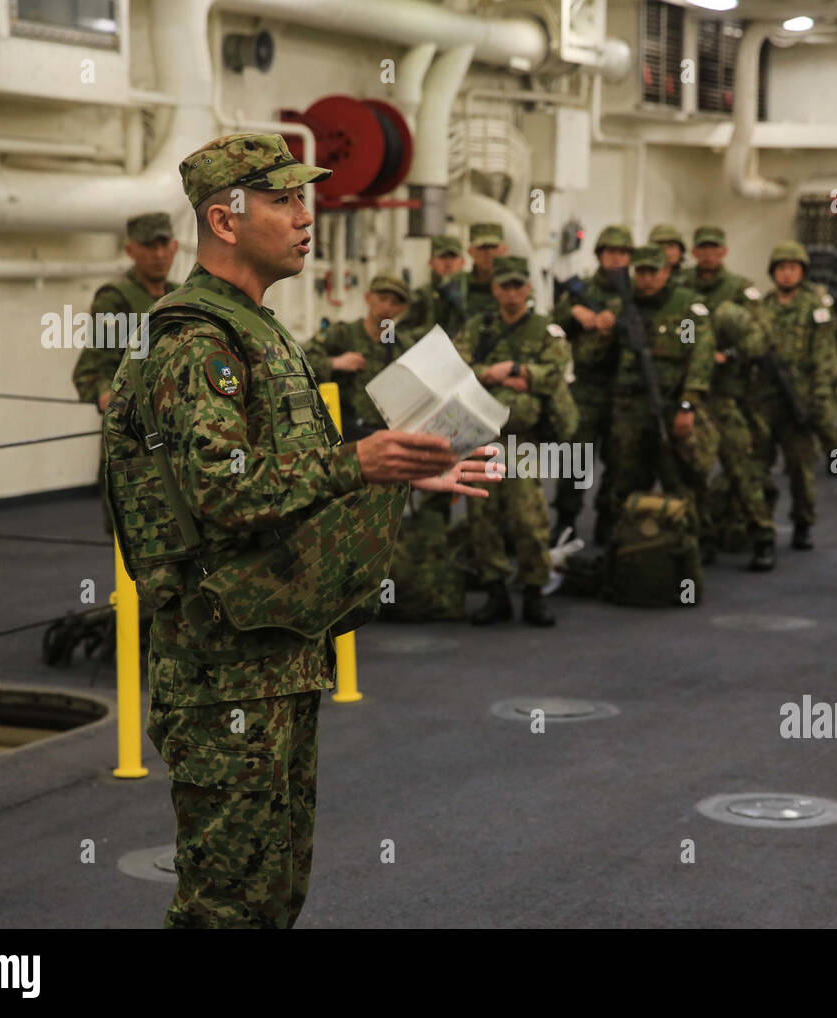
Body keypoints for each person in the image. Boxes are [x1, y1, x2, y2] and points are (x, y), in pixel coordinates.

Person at [105, 133, 499, 929]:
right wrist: (359, 461)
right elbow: (223, 493)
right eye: (283, 200)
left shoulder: (259, 331)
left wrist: (398, 469)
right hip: (222, 668)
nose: (304, 214)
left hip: (274, 648)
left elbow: (293, 481)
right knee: (225, 902)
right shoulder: (195, 342)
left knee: (275, 889)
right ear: (224, 218)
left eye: (302, 197)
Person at [454, 255, 579, 627]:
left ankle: (534, 592)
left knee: (529, 518)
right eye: (504, 285)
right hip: (483, 436)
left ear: (528, 288)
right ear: (494, 289)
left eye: (517, 285)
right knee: (484, 516)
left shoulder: (545, 330)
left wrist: (515, 369)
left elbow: (555, 372)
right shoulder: (479, 328)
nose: (511, 292)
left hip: (523, 440)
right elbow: (457, 370)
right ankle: (495, 591)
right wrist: (488, 373)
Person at [74, 212, 180, 531]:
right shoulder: (116, 299)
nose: (159, 254)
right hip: (135, 439)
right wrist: (109, 394)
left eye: (164, 245)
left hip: (179, 435)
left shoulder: (180, 296)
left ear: (175, 247)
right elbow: (95, 366)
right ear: (131, 251)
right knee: (137, 537)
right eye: (149, 246)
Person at [605, 245, 716, 536]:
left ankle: (690, 538)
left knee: (679, 477)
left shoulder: (687, 309)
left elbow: (699, 356)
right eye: (640, 272)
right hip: (629, 409)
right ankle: (626, 542)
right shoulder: (620, 306)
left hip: (670, 403)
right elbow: (599, 360)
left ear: (667, 272)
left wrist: (688, 405)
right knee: (626, 476)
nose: (646, 279)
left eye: (653, 272)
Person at [751, 241, 837, 551]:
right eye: (781, 268)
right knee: (758, 465)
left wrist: (819, 399)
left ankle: (803, 522)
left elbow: (825, 356)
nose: (787, 274)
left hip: (800, 396)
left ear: (802, 271)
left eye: (793, 268)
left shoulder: (815, 308)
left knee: (801, 467)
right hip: (765, 398)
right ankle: (761, 525)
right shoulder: (762, 307)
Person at [551, 224, 634, 543]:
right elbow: (554, 326)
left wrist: (619, 324)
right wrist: (574, 312)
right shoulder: (581, 290)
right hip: (586, 386)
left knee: (620, 458)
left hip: (624, 388)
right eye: (611, 252)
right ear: (599, 255)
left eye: (623, 253)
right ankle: (567, 519)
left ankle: (608, 519)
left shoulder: (636, 293)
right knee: (576, 457)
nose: (617, 258)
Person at [704, 299, 777, 570]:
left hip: (724, 397)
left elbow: (757, 341)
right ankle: (701, 538)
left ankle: (763, 536)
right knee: (689, 476)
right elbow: (685, 342)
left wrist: (731, 354)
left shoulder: (731, 297)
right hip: (689, 397)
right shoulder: (682, 295)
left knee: (740, 468)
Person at [299, 275, 413, 438]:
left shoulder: (402, 345)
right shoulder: (341, 334)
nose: (387, 307)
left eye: (395, 303)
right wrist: (334, 363)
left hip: (386, 432)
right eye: (382, 299)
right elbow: (300, 360)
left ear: (403, 309)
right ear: (368, 298)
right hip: (345, 431)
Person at [402, 234, 469, 340]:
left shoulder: (471, 291)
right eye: (442, 257)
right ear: (431, 262)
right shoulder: (421, 295)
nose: (448, 263)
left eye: (453, 257)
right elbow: (401, 333)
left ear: (462, 262)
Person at [677, 225, 760, 311]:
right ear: (694, 252)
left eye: (714, 247)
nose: (708, 253)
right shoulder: (679, 281)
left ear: (724, 251)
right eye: (703, 247)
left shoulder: (741, 286)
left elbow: (759, 315)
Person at [464, 222, 507, 319]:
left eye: (493, 246)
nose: (488, 252)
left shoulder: (514, 287)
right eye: (482, 247)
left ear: (504, 250)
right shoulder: (456, 285)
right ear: (470, 251)